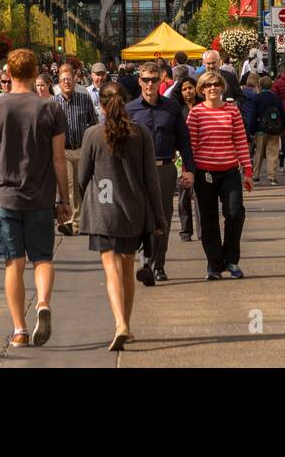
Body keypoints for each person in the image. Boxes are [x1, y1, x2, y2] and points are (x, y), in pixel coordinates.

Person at [0, 48, 70, 348]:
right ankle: (42, 302)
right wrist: (64, 200)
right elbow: (58, 159)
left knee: (13, 263)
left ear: (9, 75)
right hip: (40, 198)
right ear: (35, 72)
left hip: (5, 198)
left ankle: (19, 330)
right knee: (42, 258)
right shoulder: (50, 109)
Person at [77, 82, 166, 350]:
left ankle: (120, 324)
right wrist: (158, 218)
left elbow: (82, 177)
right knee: (127, 267)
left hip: (104, 211)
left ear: (102, 105)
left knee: (111, 267)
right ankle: (126, 323)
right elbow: (152, 180)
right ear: (124, 103)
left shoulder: (92, 134)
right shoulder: (142, 134)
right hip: (134, 211)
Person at [124, 61, 195, 283]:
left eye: (154, 80)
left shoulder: (171, 107)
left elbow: (184, 139)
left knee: (162, 219)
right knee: (140, 219)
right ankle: (144, 261)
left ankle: (157, 265)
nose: (150, 84)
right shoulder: (130, 109)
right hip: (137, 172)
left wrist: (188, 169)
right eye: (145, 80)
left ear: (160, 80)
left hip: (164, 169)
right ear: (139, 81)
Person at [187, 71, 253, 280]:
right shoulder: (196, 113)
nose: (212, 88)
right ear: (202, 89)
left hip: (229, 171)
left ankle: (231, 259)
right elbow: (191, 145)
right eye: (208, 85)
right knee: (208, 219)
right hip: (204, 172)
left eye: (216, 84)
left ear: (222, 87)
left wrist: (248, 170)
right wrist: (188, 171)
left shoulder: (232, 111)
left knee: (235, 213)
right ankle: (214, 265)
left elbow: (241, 141)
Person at [52, 63, 99, 235]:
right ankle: (72, 222)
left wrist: (91, 145)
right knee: (69, 184)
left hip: (81, 148)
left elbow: (93, 123)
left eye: (69, 79)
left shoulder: (84, 99)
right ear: (59, 82)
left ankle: (80, 221)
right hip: (62, 151)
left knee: (80, 186)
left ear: (75, 80)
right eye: (63, 80)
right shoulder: (53, 103)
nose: (67, 82)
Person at [247, 74, 285, 184]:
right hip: (274, 129)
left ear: (259, 85)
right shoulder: (276, 97)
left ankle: (256, 175)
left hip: (260, 129)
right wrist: (282, 127)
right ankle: (272, 176)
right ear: (271, 86)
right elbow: (281, 113)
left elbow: (253, 115)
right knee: (273, 152)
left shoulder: (257, 98)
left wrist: (251, 130)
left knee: (258, 152)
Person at [175, 77, 201, 241]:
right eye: (184, 89)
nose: (188, 92)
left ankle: (202, 230)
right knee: (184, 193)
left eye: (190, 88)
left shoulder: (202, 105)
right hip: (181, 155)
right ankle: (186, 230)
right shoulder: (177, 109)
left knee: (200, 194)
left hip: (200, 154)